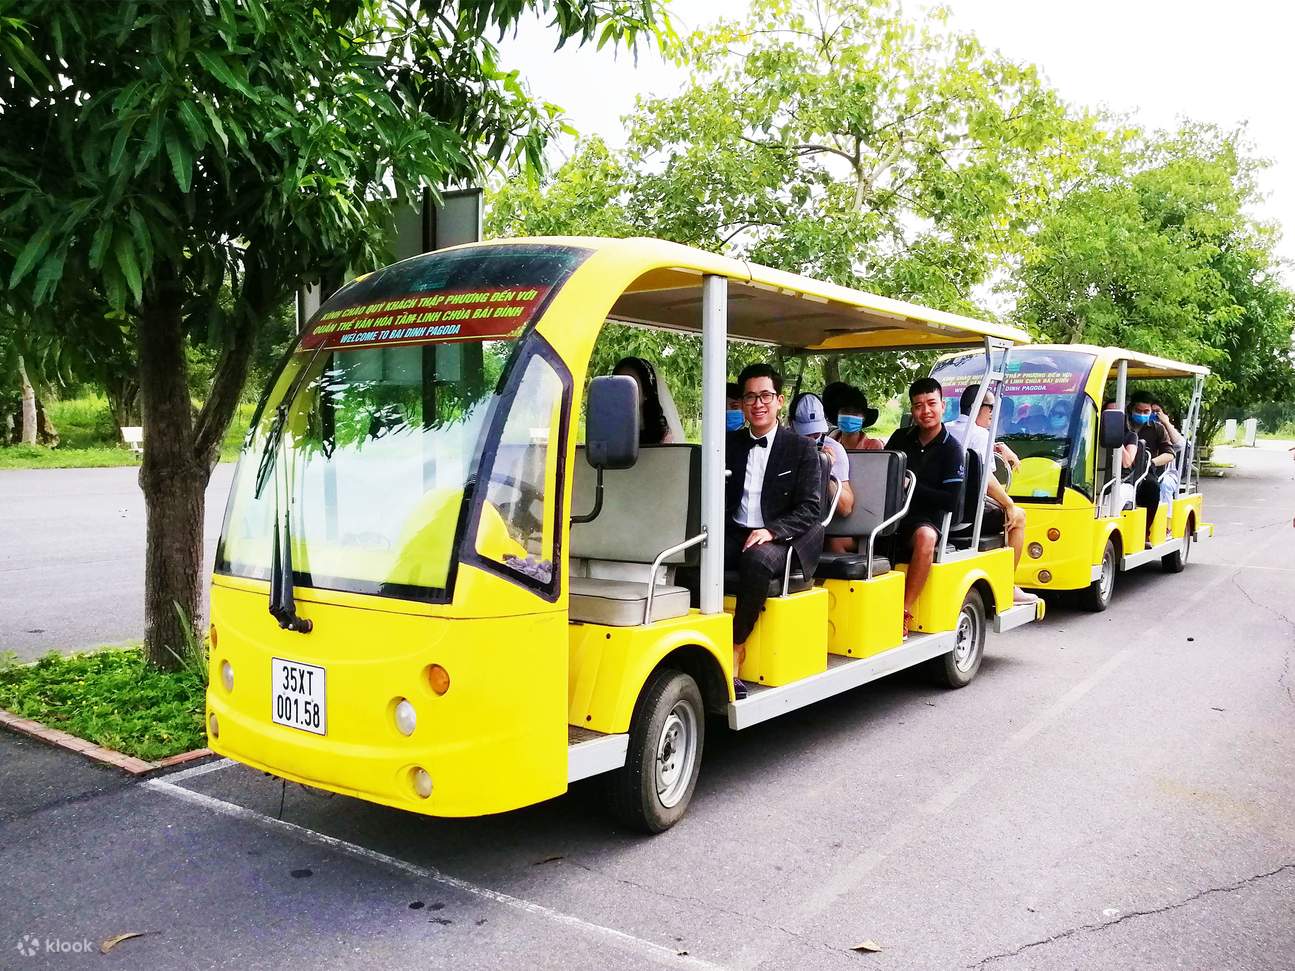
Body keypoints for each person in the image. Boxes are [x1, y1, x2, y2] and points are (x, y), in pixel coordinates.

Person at [725, 363, 824, 698]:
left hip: (786, 537)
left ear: (779, 400)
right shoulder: (728, 445)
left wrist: (772, 530)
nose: (758, 403)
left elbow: (811, 508)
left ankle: (736, 647)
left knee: (756, 560)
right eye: (750, 397)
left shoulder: (802, 449)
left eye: (765, 395)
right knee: (692, 552)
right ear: (741, 403)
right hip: (737, 530)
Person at [885, 378, 965, 637]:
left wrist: (911, 486)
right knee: (840, 541)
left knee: (926, 537)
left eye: (931, 404)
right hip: (890, 515)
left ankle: (901, 612)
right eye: (918, 405)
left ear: (943, 406)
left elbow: (950, 500)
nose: (925, 411)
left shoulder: (952, 448)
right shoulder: (900, 437)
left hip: (924, 519)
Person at [944, 384, 1035, 604]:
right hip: (966, 515)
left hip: (945, 506)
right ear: (978, 407)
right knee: (1019, 517)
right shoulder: (980, 434)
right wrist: (1009, 504)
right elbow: (987, 482)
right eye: (991, 408)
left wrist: (997, 446)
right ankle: (1008, 584)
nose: (993, 414)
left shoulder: (946, 428)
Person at [790, 391, 854, 519]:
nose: (811, 440)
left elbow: (845, 509)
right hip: (786, 516)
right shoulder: (780, 444)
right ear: (791, 424)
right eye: (806, 434)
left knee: (841, 539)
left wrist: (826, 471)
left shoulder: (833, 448)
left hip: (821, 518)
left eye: (816, 434)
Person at [1129, 391, 1175, 538]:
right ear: (1131, 408)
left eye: (1146, 411)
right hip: (1121, 468)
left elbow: (1169, 454)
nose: (1142, 414)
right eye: (1138, 411)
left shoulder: (1157, 428)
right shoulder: (1123, 425)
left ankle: (1144, 533)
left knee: (1152, 487)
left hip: (1145, 471)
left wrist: (1151, 463)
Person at [612, 356, 680, 445]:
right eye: (617, 385)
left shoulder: (663, 437)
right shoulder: (608, 431)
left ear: (646, 392)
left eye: (630, 385)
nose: (622, 391)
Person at [829, 384, 886, 451]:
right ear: (837, 415)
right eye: (845, 411)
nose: (850, 416)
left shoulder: (873, 446)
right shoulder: (829, 444)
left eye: (856, 412)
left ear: (864, 417)